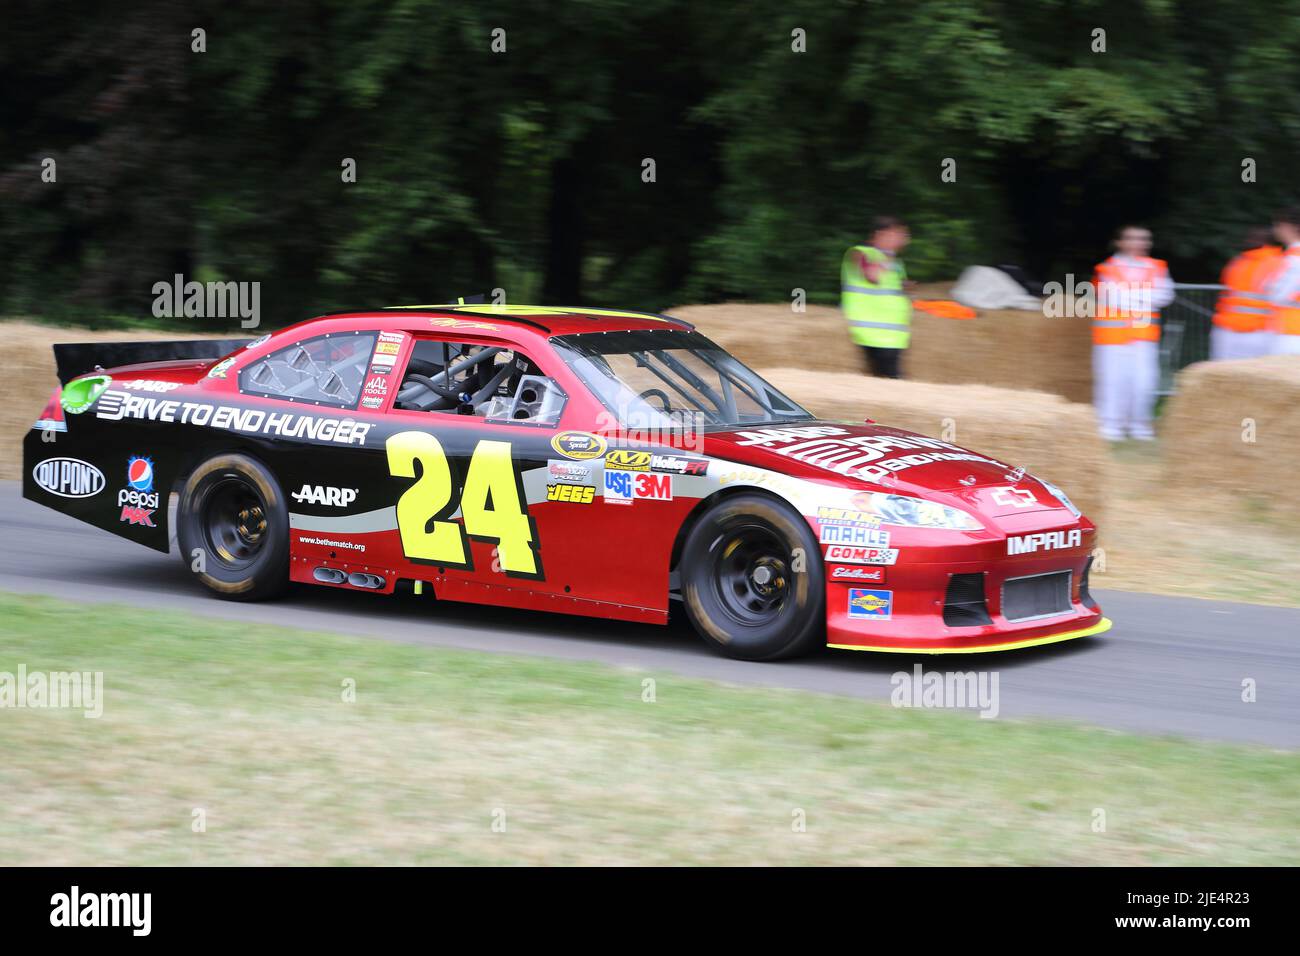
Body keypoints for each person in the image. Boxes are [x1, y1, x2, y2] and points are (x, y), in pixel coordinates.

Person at [1092, 225, 1174, 441]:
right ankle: (1110, 426)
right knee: (1112, 381)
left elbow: (1165, 296)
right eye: (1133, 238)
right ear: (1120, 242)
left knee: (1144, 382)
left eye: (1144, 238)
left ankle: (1139, 425)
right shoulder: (1106, 268)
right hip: (1112, 338)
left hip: (1143, 336)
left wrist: (1130, 295)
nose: (1140, 242)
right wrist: (1146, 295)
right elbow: (1112, 298)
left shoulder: (1157, 266)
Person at [842, 216, 912, 378]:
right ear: (882, 234)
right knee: (891, 381)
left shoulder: (895, 262)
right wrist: (886, 253)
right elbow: (872, 276)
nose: (904, 241)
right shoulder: (860, 253)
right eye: (900, 235)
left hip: (893, 336)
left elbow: (895, 290)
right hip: (873, 334)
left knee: (882, 381)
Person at [1211, 227, 1281, 360]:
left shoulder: (1237, 262)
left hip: (1239, 330)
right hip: (1254, 331)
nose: (1249, 240)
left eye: (1254, 238)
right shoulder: (1279, 262)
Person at [1265, 207, 1300, 355]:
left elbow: (1277, 296)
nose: (1275, 229)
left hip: (1290, 332)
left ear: (1290, 227)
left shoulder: (1294, 258)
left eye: (1278, 225)